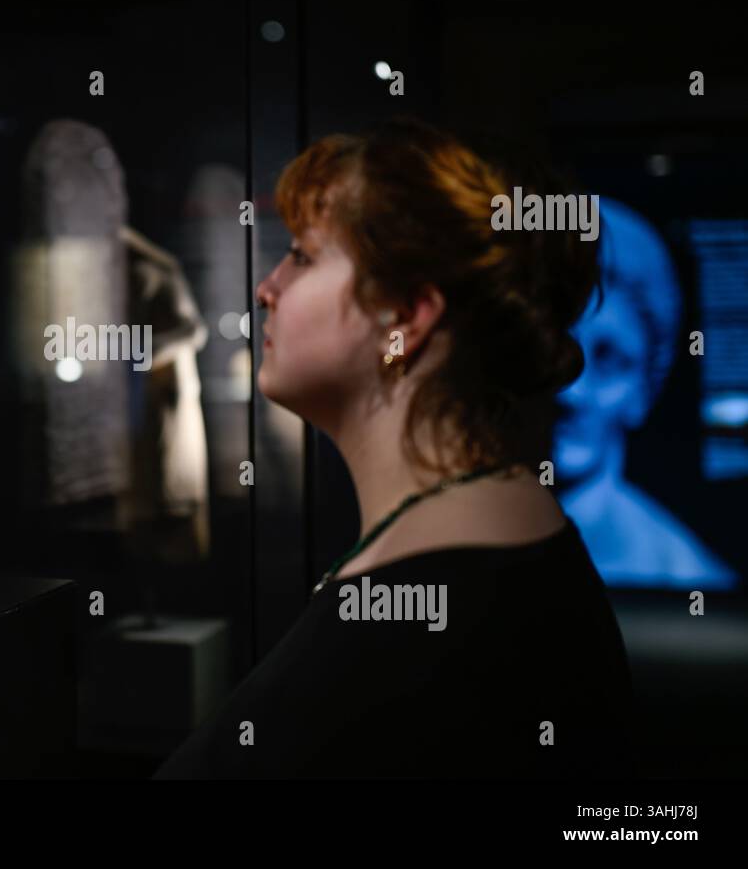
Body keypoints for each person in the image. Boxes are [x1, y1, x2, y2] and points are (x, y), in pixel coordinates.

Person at [153, 118, 636, 778]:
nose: (267, 288)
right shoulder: (496, 538)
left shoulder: (428, 620)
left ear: (406, 318)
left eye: (303, 256)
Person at [554, 198, 738, 588]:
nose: (572, 393)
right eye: (553, 352)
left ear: (643, 390)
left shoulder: (685, 575)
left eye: (610, 361)